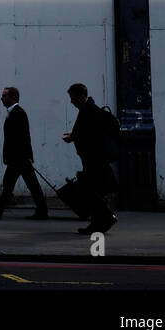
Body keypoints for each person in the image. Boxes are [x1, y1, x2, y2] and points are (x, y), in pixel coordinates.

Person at [0, 87, 48, 220]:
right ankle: (42, 210)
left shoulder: (18, 113)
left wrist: (25, 156)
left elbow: (23, 137)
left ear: (13, 98)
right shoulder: (14, 113)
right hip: (19, 158)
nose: (2, 98)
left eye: (4, 96)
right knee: (25, 184)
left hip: (19, 158)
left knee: (13, 184)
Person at [62, 82, 117, 235]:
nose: (71, 101)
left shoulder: (89, 111)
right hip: (93, 159)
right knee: (93, 192)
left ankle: (105, 218)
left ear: (81, 96)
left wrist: (74, 137)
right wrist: (73, 137)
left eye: (73, 98)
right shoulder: (89, 109)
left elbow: (92, 135)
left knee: (89, 191)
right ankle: (98, 222)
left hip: (94, 159)